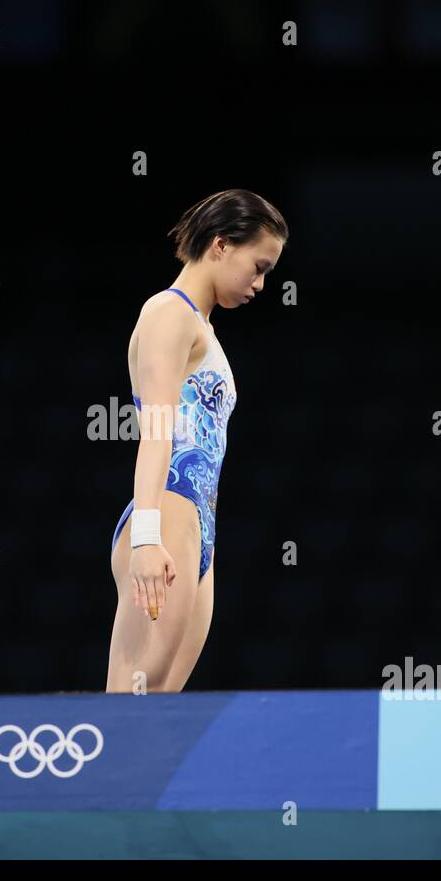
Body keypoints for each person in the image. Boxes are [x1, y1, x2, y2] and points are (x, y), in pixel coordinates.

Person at [106, 189, 287, 693]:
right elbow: (158, 432)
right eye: (258, 266)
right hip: (165, 513)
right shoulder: (168, 312)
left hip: (197, 530)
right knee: (128, 705)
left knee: (160, 715)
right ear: (222, 245)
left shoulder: (203, 327)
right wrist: (147, 537)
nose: (261, 284)